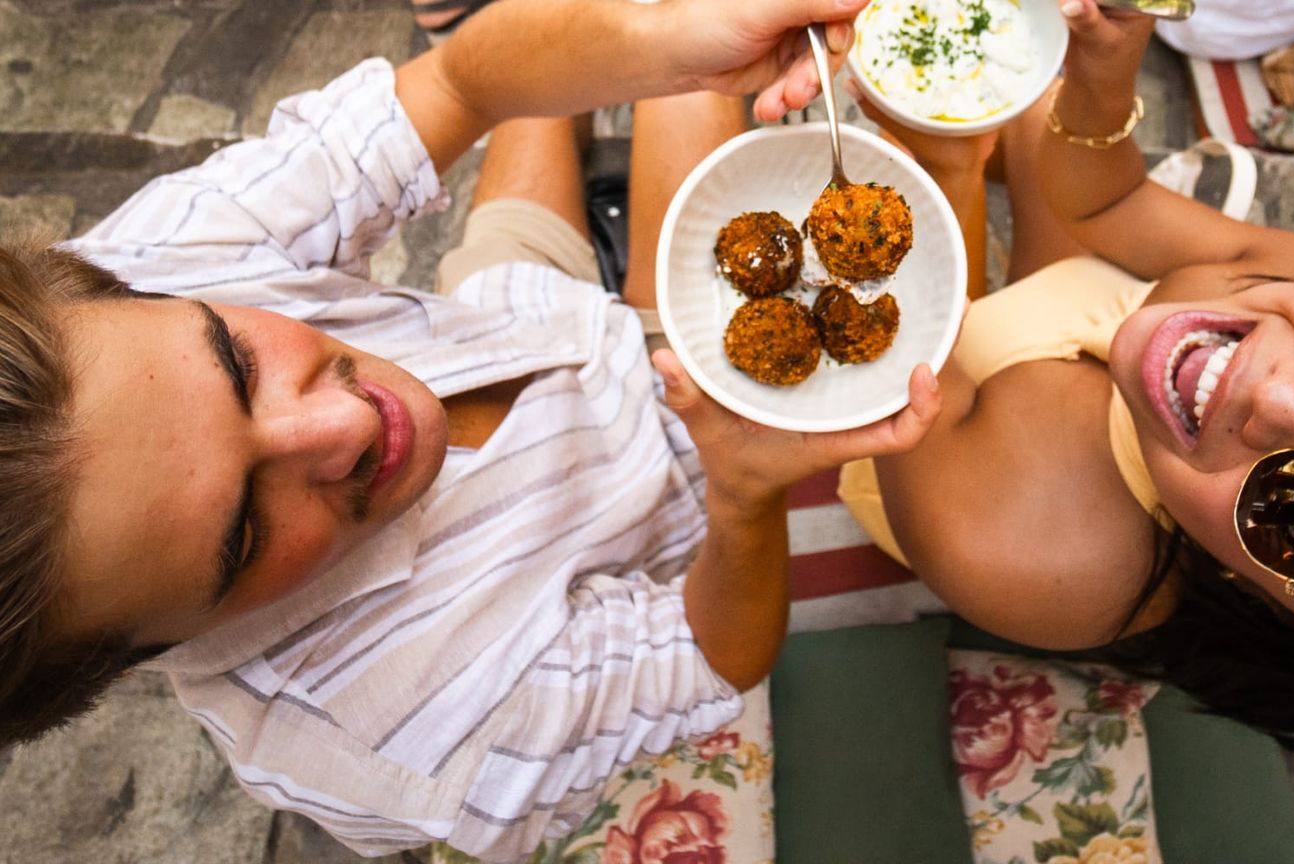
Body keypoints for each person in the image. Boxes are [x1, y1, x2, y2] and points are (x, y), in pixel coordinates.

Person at [0, 0, 943, 858]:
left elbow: (458, 84)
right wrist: (746, 491)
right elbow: (714, 655)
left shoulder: (150, 264)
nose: (349, 419)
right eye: (244, 533)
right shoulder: (421, 745)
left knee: (628, 67)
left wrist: (661, 39)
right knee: (684, 123)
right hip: (679, 456)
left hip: (510, 311)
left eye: (237, 361)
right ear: (130, 662)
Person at [840, 0, 1294, 753]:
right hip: (1059, 312)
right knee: (1030, 80)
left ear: (1276, 611)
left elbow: (900, 351)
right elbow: (1113, 203)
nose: (1273, 392)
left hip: (934, 410)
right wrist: (1104, 75)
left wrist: (947, 169)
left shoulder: (1031, 562)